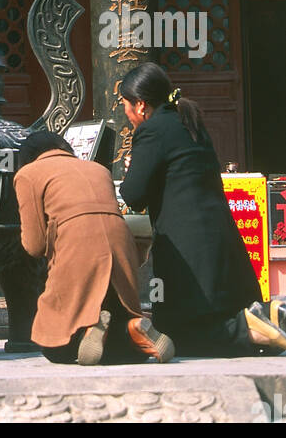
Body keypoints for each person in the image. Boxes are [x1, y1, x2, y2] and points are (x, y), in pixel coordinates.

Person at [119, 63, 286, 355]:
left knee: (180, 338)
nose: (126, 113)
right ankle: (265, 319)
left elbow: (134, 196)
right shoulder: (189, 121)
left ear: (141, 105)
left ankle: (251, 328)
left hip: (189, 254)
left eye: (125, 105)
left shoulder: (152, 130)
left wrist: (133, 168)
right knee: (195, 327)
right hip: (221, 248)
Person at [14, 131, 175, 365]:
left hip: (76, 242)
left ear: (28, 157)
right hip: (122, 243)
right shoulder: (99, 169)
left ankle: (87, 330)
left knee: (55, 346)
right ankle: (131, 327)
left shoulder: (27, 174)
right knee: (123, 329)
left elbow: (34, 244)